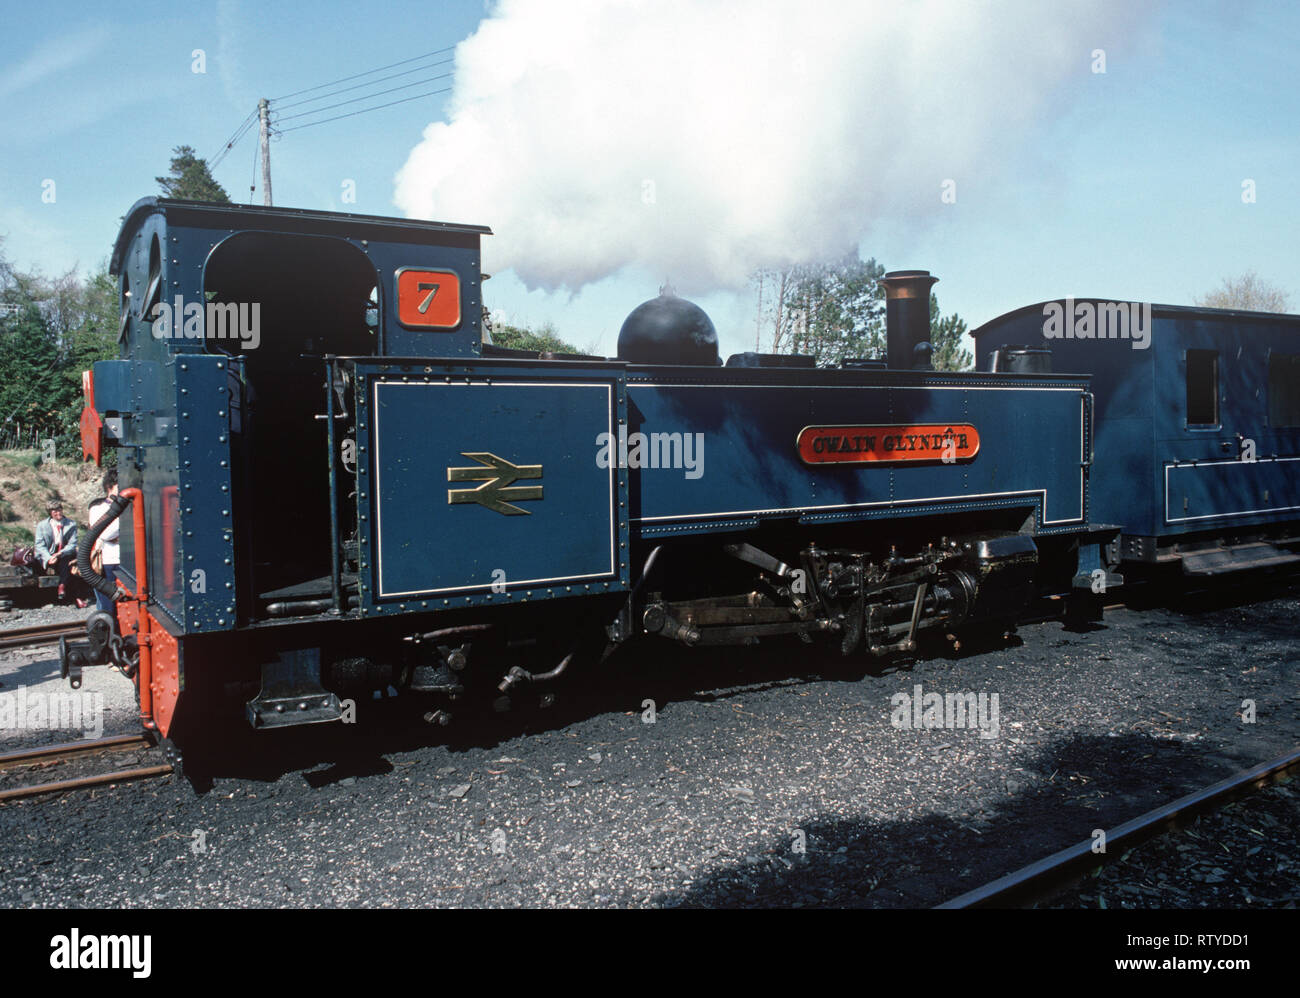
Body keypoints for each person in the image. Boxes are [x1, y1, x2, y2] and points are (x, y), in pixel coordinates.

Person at [34, 498, 88, 609]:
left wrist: (59, 554)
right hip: (48, 554)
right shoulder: (42, 525)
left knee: (69, 561)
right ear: (50, 513)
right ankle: (77, 597)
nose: (58, 513)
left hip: (64, 553)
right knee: (68, 566)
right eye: (55, 512)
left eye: (59, 510)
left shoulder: (71, 524)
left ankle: (62, 586)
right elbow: (39, 545)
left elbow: (72, 544)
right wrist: (49, 558)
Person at [87, 470, 121, 613]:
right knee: (108, 607)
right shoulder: (97, 509)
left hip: (125, 561)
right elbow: (106, 533)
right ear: (110, 487)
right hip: (108, 562)